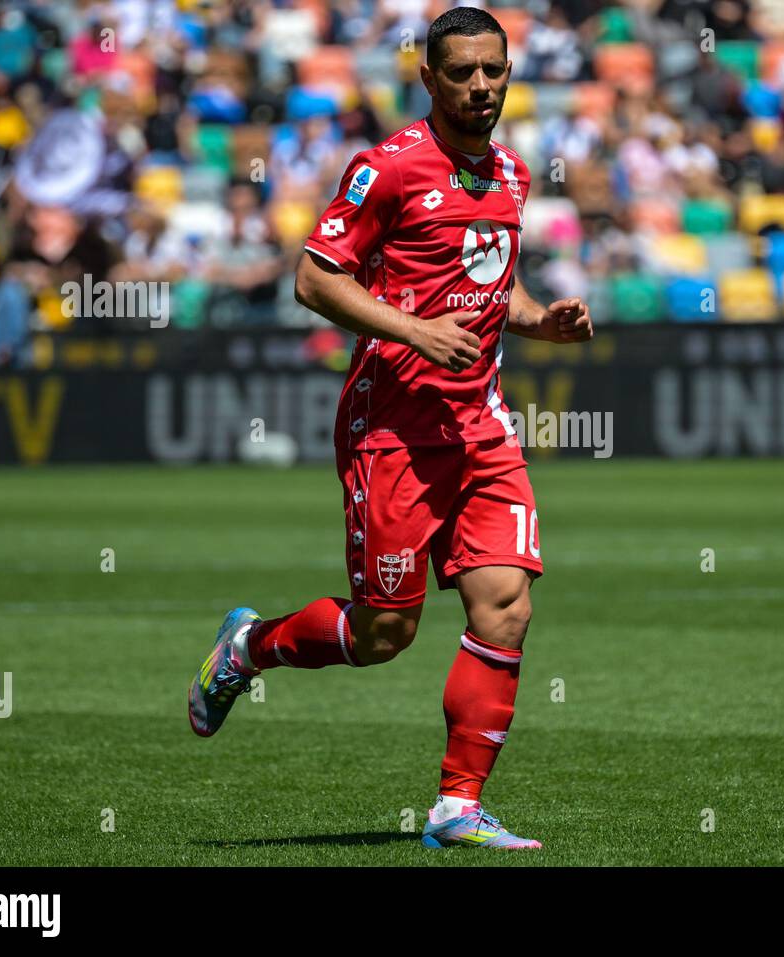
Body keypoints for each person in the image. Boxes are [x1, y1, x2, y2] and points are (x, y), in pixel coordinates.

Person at [187, 8, 593, 851]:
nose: (481, 85)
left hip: (480, 422)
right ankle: (248, 647)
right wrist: (411, 330)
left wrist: (539, 322)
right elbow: (312, 278)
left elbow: (488, 292)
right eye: (462, 73)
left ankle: (457, 805)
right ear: (429, 79)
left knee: (506, 603)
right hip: (394, 430)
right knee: (384, 633)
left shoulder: (513, 174)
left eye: (493, 69)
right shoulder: (389, 169)